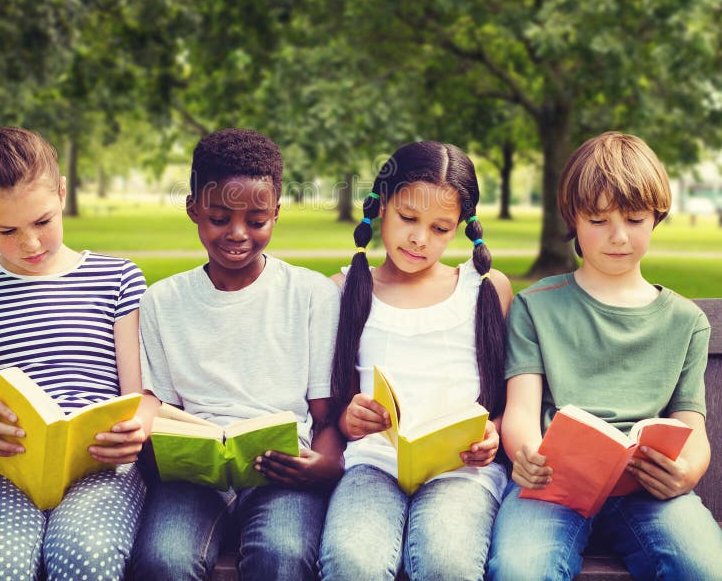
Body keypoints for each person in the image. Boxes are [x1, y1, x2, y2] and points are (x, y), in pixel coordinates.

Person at [487, 131, 722, 581]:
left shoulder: (687, 322)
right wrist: (527, 454)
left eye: (634, 219)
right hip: (553, 484)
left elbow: (692, 425)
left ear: (657, 217)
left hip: (645, 492)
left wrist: (687, 473)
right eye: (598, 221)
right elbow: (520, 411)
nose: (618, 237)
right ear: (573, 220)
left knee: (704, 567)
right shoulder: (536, 306)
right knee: (521, 569)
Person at [0, 126, 154, 581]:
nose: (30, 244)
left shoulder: (118, 280)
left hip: (102, 465)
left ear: (62, 193)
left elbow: (141, 395)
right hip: (7, 468)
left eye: (43, 221)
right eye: (7, 231)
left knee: (86, 554)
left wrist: (139, 426)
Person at [130, 127, 343, 581]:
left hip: (283, 472)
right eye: (220, 218)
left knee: (282, 556)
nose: (238, 234)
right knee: (163, 560)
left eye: (256, 220)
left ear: (277, 214)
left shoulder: (311, 295)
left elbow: (325, 416)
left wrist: (325, 466)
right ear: (193, 210)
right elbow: (161, 409)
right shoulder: (161, 301)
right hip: (195, 476)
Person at [317, 140, 513, 581]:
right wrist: (351, 420)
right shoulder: (345, 289)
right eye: (408, 218)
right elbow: (335, 411)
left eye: (441, 228)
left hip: (461, 468)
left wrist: (492, 434)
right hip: (374, 461)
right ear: (382, 204)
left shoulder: (484, 289)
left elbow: (504, 401)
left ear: (462, 226)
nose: (420, 239)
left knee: (447, 562)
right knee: (352, 562)